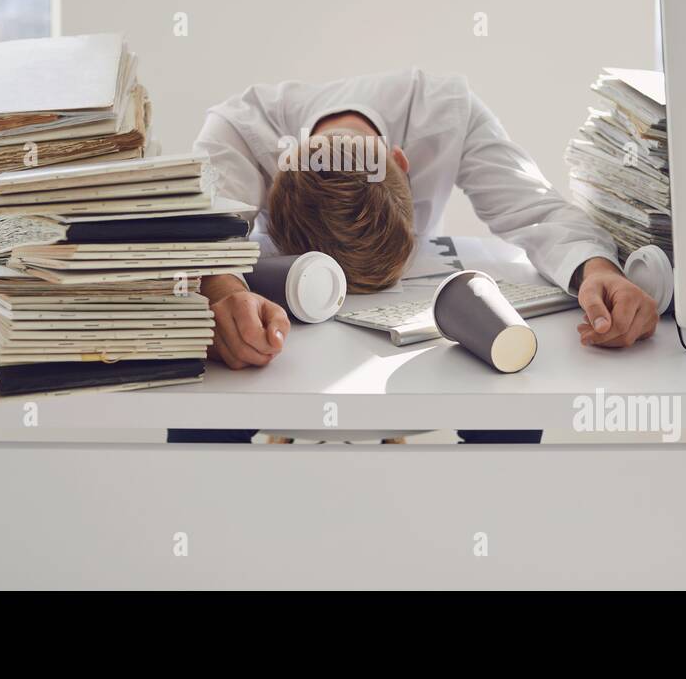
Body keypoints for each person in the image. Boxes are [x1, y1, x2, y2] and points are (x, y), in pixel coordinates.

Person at [169, 69, 659, 444]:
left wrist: (598, 269)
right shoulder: (235, 130)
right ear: (276, 179)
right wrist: (223, 288)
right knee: (205, 421)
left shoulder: (444, 108)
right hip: (290, 354)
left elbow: (535, 205)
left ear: (404, 161)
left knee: (510, 419)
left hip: (405, 354)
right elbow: (199, 237)